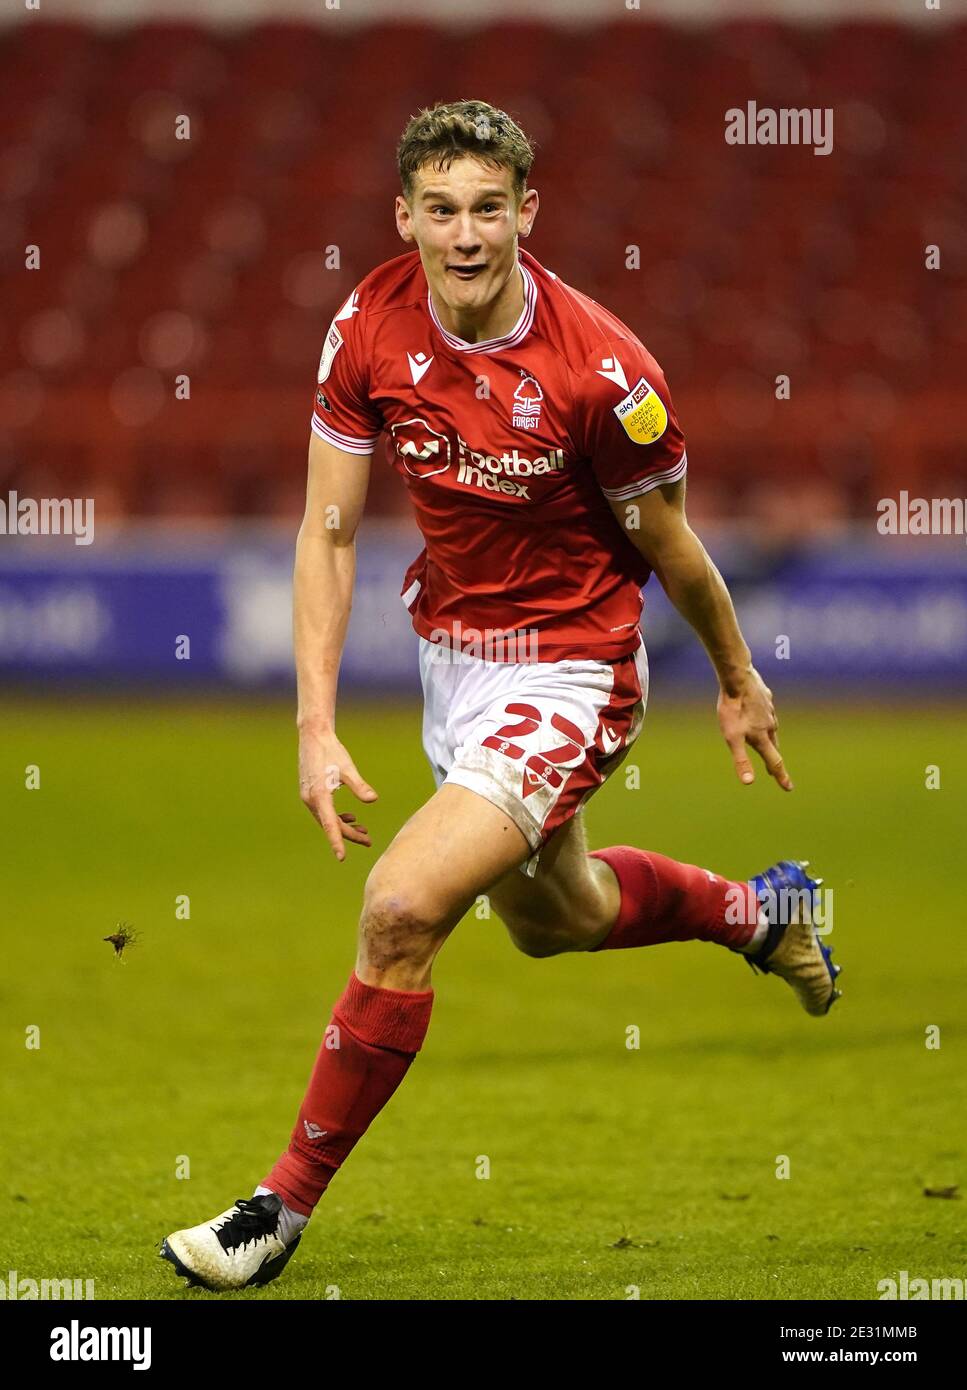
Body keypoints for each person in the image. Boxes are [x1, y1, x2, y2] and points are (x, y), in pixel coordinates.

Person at [161, 99, 840, 1292]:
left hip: (575, 664)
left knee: (400, 908)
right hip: (453, 659)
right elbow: (326, 536)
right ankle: (763, 914)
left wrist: (737, 676)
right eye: (439, 210)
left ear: (528, 212)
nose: (463, 235)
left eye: (487, 208)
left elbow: (672, 548)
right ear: (404, 218)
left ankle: (275, 1211)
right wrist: (314, 725)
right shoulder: (366, 326)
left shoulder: (602, 370)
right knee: (553, 919)